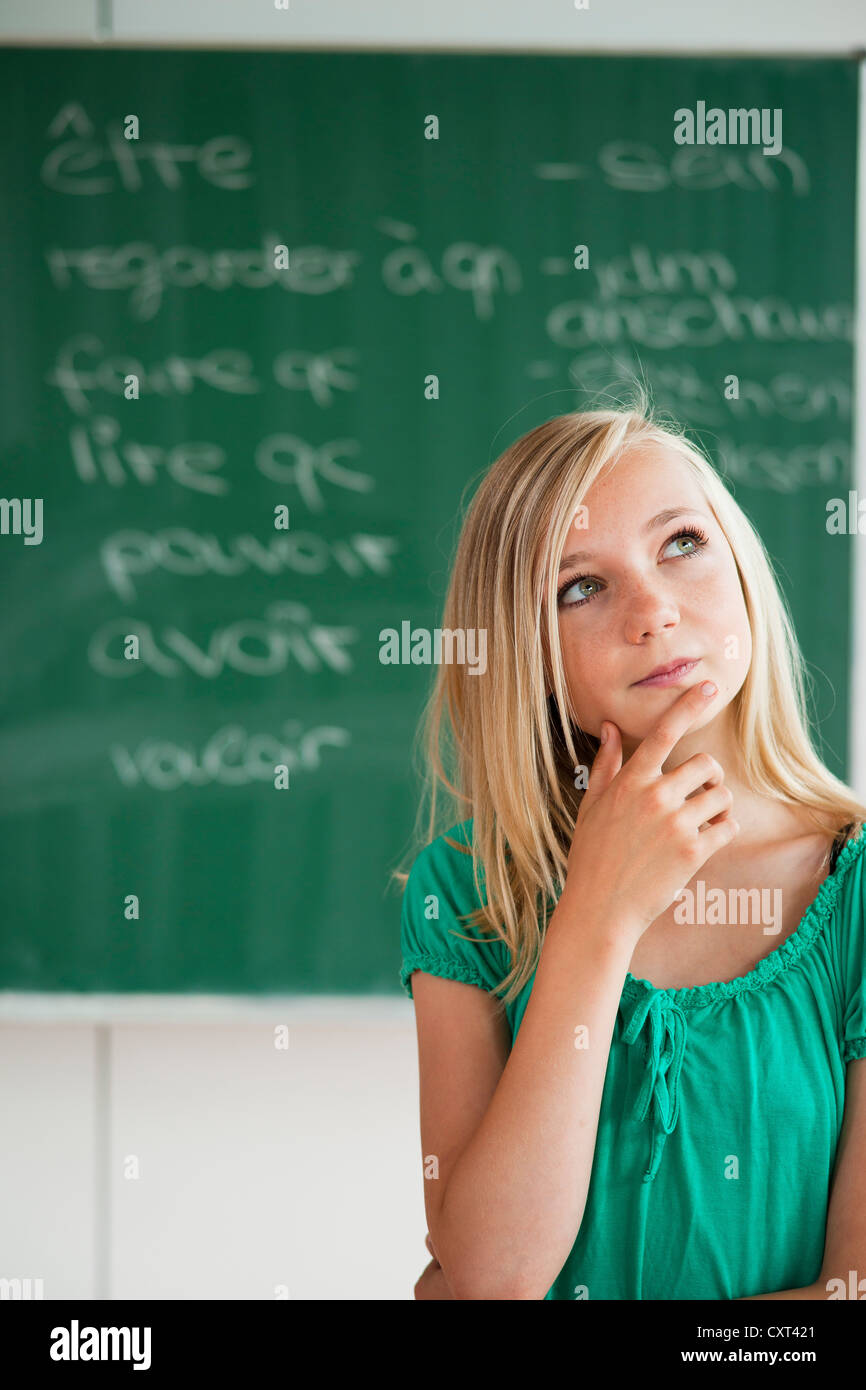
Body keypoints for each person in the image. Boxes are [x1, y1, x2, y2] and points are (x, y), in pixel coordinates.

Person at [394, 396, 866, 1300]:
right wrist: (599, 916)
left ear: (740, 563)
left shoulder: (856, 886)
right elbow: (495, 1276)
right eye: (581, 586)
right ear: (529, 654)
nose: (652, 612)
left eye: (681, 542)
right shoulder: (461, 890)